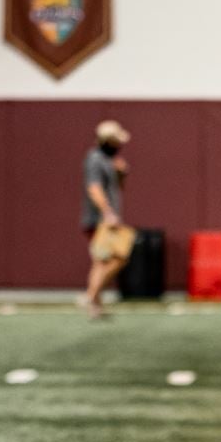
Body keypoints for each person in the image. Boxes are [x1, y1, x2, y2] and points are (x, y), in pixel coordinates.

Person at [81, 119, 132, 319]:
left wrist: (121, 174)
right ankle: (91, 297)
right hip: (99, 219)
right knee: (108, 260)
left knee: (103, 261)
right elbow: (93, 189)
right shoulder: (94, 159)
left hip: (107, 217)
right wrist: (107, 213)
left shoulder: (109, 161)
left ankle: (94, 301)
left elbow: (117, 188)